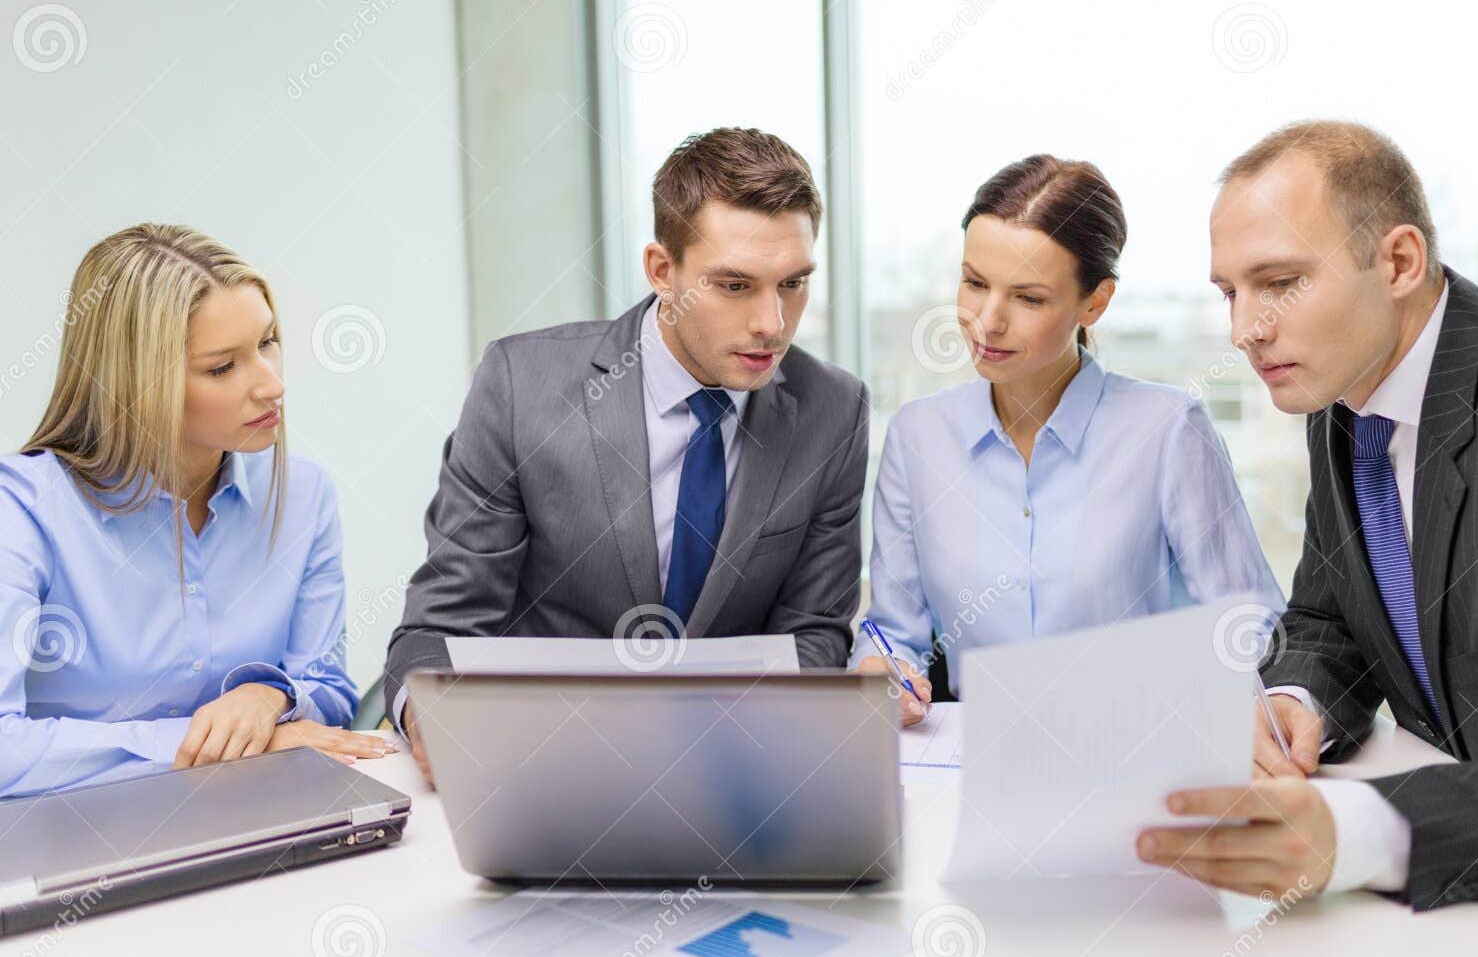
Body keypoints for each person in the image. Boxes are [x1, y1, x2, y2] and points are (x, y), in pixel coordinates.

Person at [1141, 119, 1478, 907]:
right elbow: (1330, 615)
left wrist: (1355, 829)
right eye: (1230, 292)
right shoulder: (1347, 398)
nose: (1244, 330)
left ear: (1398, 262)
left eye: (1280, 282)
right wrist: (1294, 702)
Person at [386, 128, 871, 783]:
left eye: (792, 284)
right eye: (734, 286)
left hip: (733, 773)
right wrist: (431, 718)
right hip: (544, 767)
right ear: (662, 270)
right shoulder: (520, 385)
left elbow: (813, 633)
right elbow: (443, 626)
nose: (772, 323)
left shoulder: (831, 410)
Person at [854, 155, 1281, 724]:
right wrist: (882, 669)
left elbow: (1247, 622)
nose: (988, 319)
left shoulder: (1168, 430)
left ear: (1095, 303)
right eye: (974, 283)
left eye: (1028, 298)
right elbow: (892, 629)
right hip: (972, 763)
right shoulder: (918, 437)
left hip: (1140, 751)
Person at [0, 223, 376, 798]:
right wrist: (219, 746)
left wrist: (268, 698)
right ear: (137, 383)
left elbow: (326, 689)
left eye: (268, 342)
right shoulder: (23, 511)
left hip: (258, 818)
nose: (272, 385)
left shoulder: (304, 494)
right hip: (79, 843)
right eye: (223, 367)